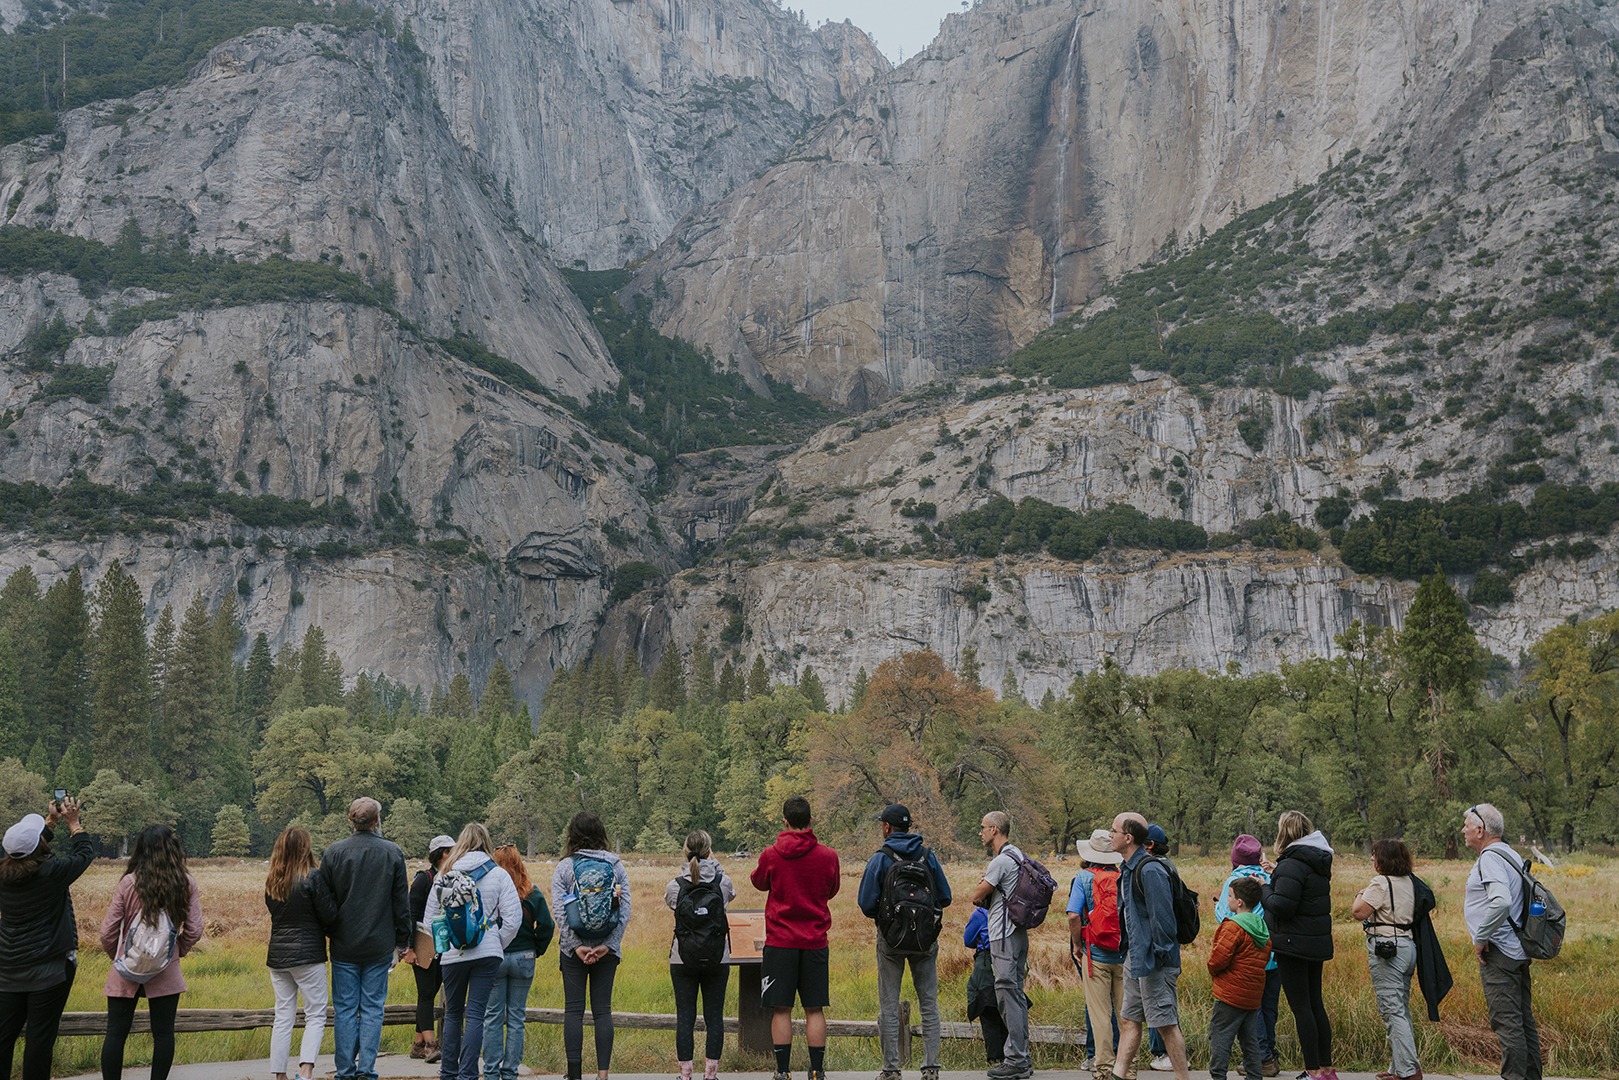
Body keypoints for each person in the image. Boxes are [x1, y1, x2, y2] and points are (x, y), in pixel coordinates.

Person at [99, 823, 204, 1080]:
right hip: (166, 968)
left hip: (127, 966)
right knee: (164, 1034)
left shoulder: (128, 883)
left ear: (141, 850)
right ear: (173, 849)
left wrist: (120, 956)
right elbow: (195, 929)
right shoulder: (185, 883)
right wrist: (177, 950)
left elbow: (107, 931)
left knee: (116, 1033)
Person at [0, 797, 94, 1080]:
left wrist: (50, 821)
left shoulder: (3, 876)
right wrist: (74, 823)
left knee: (3, 1038)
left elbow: (26, 850)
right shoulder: (51, 872)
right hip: (49, 971)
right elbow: (84, 854)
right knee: (39, 1041)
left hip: (7, 970)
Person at [857, 803, 953, 1080]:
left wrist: (887, 919)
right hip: (924, 941)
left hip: (891, 941)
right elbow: (945, 897)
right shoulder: (927, 856)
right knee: (929, 1003)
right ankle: (931, 1068)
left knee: (889, 1005)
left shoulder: (881, 858)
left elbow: (865, 903)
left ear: (887, 827)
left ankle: (891, 1069)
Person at [320, 797, 411, 1080]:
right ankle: (367, 1070)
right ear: (376, 821)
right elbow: (401, 902)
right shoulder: (392, 852)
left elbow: (324, 900)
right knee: (373, 1008)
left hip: (344, 943)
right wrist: (403, 941)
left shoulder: (333, 853)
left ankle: (345, 1071)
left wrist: (331, 929)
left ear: (351, 820)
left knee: (345, 1009)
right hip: (379, 943)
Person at [750, 796, 840, 1080]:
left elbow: (758, 882)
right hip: (815, 940)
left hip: (780, 941)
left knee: (781, 1009)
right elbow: (832, 889)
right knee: (814, 1008)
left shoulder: (771, 854)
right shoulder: (828, 856)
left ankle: (782, 1071)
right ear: (810, 821)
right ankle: (816, 1070)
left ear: (785, 822)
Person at [423, 823, 521, 1080]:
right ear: (487, 842)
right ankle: (468, 1074)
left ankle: (448, 1073)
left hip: (452, 955)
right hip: (487, 954)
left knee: (453, 1014)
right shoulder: (498, 874)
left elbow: (430, 919)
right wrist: (496, 942)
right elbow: (513, 920)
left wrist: (446, 945)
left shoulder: (445, 874)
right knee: (477, 1013)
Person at [1108, 814, 1190, 1080]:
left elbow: (1164, 921)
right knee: (1129, 1020)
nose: (1110, 835)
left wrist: (1159, 958)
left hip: (1154, 961)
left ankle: (1183, 1077)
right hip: (1136, 958)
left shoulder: (1150, 870)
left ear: (1128, 838)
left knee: (1165, 1024)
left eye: (1113, 831)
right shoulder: (1127, 868)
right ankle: (1118, 1074)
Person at [1462, 804, 1540, 1080]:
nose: (1463, 830)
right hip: (1517, 950)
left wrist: (1481, 936)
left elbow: (1502, 902)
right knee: (1523, 1022)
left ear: (1480, 830)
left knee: (1508, 1025)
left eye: (1467, 826)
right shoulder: (1510, 854)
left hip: (1500, 953)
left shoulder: (1490, 859)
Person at [552, 812, 631, 1080]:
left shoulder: (565, 867)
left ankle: (575, 1074)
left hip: (573, 951)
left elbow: (560, 912)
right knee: (603, 1011)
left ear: (572, 835)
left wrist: (576, 946)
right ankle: (603, 1074)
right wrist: (609, 944)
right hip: (607, 950)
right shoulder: (616, 866)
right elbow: (625, 909)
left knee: (573, 1011)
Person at [1260, 811, 1335, 1080]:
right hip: (1314, 942)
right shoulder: (1315, 859)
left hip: (1293, 944)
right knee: (1316, 1005)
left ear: (1285, 832)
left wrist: (1264, 887)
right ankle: (1326, 1070)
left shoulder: (1291, 863)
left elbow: (1282, 906)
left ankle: (1312, 1071)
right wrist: (1277, 874)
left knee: (1301, 1008)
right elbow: (1300, 891)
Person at [264, 826, 338, 1080]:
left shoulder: (273, 881)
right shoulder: (312, 877)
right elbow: (329, 914)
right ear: (305, 848)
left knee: (283, 1014)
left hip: (278, 956)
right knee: (315, 1013)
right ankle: (305, 1071)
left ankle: (279, 1073)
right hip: (307, 955)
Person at [665, 830, 735, 1080]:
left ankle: (686, 1075)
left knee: (685, 1017)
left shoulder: (675, 886)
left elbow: (671, 904)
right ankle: (710, 1074)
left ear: (685, 851)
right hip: (717, 956)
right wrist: (715, 865)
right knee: (714, 1017)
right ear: (709, 851)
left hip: (682, 957)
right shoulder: (722, 882)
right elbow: (730, 895)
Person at [1351, 839, 1421, 1080]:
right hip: (1407, 946)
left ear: (1385, 859)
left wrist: (1360, 893)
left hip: (1387, 949)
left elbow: (1359, 912)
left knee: (1391, 1011)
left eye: (1375, 855)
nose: (1372, 859)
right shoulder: (1409, 881)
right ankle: (1400, 1067)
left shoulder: (1380, 882)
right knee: (1401, 1008)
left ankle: (1409, 1071)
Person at [969, 811, 1031, 1080]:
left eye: (983, 827)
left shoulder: (1001, 861)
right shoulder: (1018, 855)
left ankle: (1016, 1059)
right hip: (1018, 933)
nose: (980, 832)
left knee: (1006, 994)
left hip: (1003, 934)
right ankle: (1022, 1058)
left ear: (994, 829)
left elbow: (977, 895)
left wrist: (983, 885)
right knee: (1016, 993)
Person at [484, 843, 554, 1080]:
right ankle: (510, 1072)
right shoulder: (531, 893)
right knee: (516, 1017)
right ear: (519, 864)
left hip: (495, 955)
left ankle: (491, 1072)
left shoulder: (491, 890)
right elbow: (547, 925)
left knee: (492, 1017)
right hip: (524, 956)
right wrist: (536, 948)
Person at [1215, 835, 1280, 1077]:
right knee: (1269, 1007)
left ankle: (1262, 1058)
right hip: (1272, 954)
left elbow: (1225, 916)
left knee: (1254, 1008)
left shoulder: (1235, 882)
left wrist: (1217, 906)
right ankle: (1269, 1054)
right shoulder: (1270, 877)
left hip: (1246, 958)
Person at [1067, 829, 1128, 1080]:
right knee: (1126, 1015)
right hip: (1124, 956)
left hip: (1095, 955)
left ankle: (1104, 1069)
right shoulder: (1125, 876)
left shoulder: (1083, 878)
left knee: (1101, 1015)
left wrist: (1077, 945)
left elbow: (1074, 915)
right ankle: (1128, 1068)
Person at [1207, 877, 1271, 1080]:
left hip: (1230, 993)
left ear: (1240, 902)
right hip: (1252, 994)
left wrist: (1213, 971)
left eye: (1230, 895)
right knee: (1249, 1039)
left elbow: (1218, 959)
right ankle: (1254, 1075)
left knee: (1220, 1035)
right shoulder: (1260, 926)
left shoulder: (1233, 927)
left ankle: (1218, 1075)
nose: (1227, 899)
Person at [404, 835, 455, 1062]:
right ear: (441, 854)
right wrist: (409, 949)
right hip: (422, 944)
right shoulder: (423, 880)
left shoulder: (450, 878)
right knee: (425, 993)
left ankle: (417, 1044)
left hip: (443, 945)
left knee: (430, 992)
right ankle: (431, 1045)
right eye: (450, 851)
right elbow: (410, 915)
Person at [963, 907, 1006, 1067]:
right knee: (1009, 1009)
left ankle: (995, 1058)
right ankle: (1012, 1055)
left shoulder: (980, 914)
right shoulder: (1010, 907)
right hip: (1008, 959)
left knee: (988, 1009)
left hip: (986, 962)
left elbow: (968, 940)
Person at [1143, 826, 1171, 1072]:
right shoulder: (1168, 866)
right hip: (1165, 949)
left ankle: (1164, 1053)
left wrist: (1158, 950)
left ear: (1149, 845)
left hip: (1157, 951)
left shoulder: (1152, 870)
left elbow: (1159, 915)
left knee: (1158, 1004)